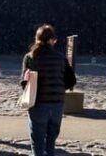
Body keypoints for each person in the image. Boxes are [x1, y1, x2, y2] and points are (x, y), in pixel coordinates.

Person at [20, 25, 76, 156]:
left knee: (37, 142)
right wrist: (58, 87)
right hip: (57, 104)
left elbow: (24, 83)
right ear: (52, 40)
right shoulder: (61, 57)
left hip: (38, 104)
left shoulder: (30, 57)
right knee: (51, 142)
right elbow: (71, 81)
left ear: (37, 39)